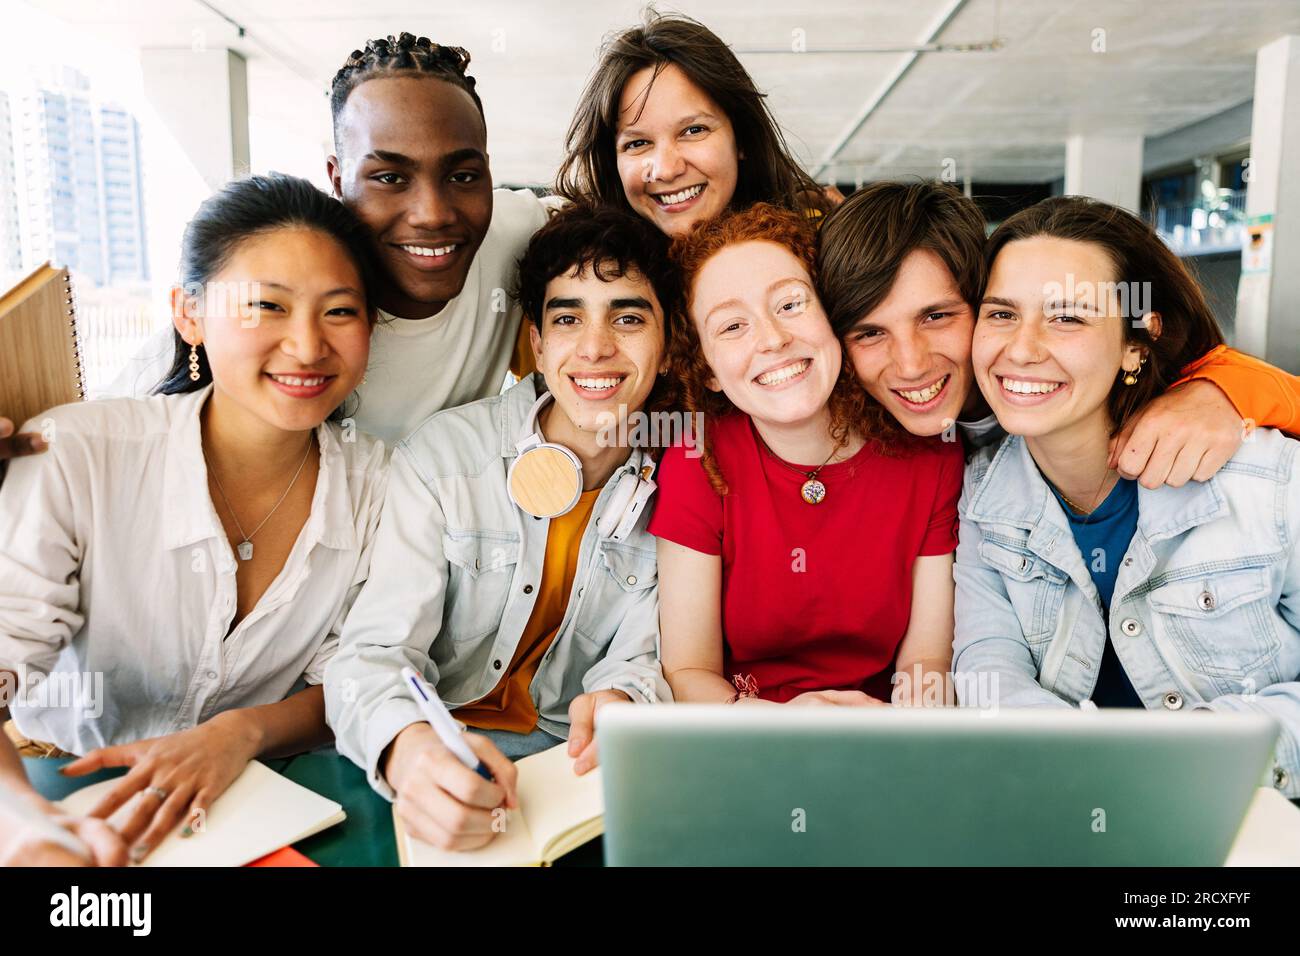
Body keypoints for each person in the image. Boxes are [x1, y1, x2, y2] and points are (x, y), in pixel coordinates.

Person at [0, 174, 389, 865]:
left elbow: (360, 674)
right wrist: (28, 824)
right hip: (56, 782)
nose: (305, 347)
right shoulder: (74, 454)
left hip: (257, 798)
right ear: (189, 314)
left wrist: (240, 734)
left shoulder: (379, 486)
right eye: (266, 306)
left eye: (339, 311)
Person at [325, 204, 675, 852]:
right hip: (433, 763)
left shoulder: (685, 488)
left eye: (627, 317)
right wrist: (408, 749)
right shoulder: (444, 458)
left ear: (669, 339)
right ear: (538, 343)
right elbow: (370, 657)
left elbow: (649, 658)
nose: (596, 346)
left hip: (569, 782)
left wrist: (627, 698)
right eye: (568, 318)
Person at [952, 196, 1298, 799]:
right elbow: (990, 669)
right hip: (1061, 808)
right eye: (1001, 314)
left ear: (1138, 344)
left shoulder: (1265, 480)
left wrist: (1200, 757)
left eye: (1068, 318)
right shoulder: (977, 493)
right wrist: (1092, 777)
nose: (1023, 349)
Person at [109, 32, 558, 445]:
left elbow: (608, 209)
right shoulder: (280, 288)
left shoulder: (517, 230)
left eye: (462, 175)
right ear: (337, 180)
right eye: (389, 177)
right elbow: (109, 425)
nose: (433, 214)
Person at [651, 203, 961, 708]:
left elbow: (926, 659)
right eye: (732, 327)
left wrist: (901, 730)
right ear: (706, 368)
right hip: (744, 735)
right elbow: (688, 671)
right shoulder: (696, 459)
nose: (773, 339)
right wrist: (784, 727)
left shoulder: (930, 455)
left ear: (833, 316)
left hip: (882, 729)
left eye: (791, 304)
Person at [817, 180, 1300, 483]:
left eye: (936, 316)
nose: (911, 363)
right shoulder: (841, 418)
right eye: (868, 332)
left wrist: (1218, 390)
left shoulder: (1153, 408)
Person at [556, 12, 832, 239]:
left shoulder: (821, 247)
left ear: (742, 138)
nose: (665, 170)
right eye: (637, 143)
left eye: (693, 130)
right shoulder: (581, 268)